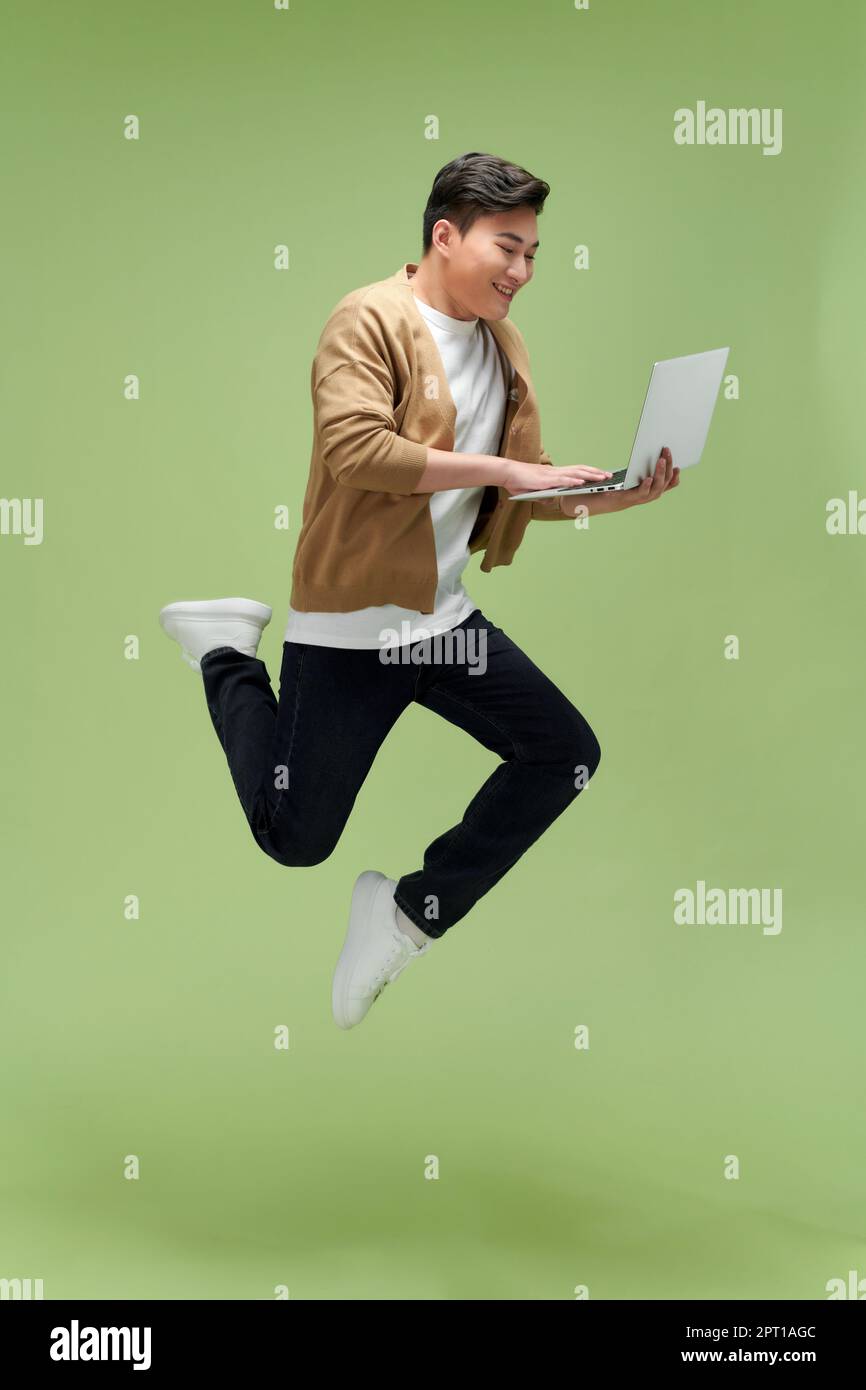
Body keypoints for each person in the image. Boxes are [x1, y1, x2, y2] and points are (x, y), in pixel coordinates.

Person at [159, 151, 679, 1031]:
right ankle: (224, 654)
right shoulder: (368, 318)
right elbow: (357, 451)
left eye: (533, 254)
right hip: (350, 629)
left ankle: (404, 917)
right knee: (294, 839)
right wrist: (505, 469)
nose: (522, 271)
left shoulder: (503, 345)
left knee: (564, 754)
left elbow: (518, 486)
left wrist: (611, 495)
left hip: (442, 625)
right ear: (446, 235)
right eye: (507, 248)